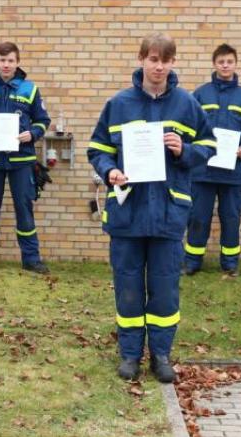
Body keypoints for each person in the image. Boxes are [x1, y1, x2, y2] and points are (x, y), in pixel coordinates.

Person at [87, 33, 214, 383]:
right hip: (128, 214)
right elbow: (97, 148)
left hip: (169, 215)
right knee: (127, 286)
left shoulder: (188, 105)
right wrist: (109, 169)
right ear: (142, 59)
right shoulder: (119, 104)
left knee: (164, 288)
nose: (159, 67)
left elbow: (208, 147)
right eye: (153, 59)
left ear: (173, 63)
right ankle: (130, 354)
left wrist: (183, 150)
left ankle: (160, 354)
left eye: (166, 60)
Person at [0, 42, 53, 273]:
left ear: (17, 63)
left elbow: (43, 121)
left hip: (22, 160)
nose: (6, 65)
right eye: (2, 60)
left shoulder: (29, 90)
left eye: (11, 60)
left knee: (24, 207)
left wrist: (32, 134)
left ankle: (31, 259)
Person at [183, 43, 241, 276]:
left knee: (231, 218)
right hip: (202, 169)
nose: (225, 65)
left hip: (232, 172)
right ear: (214, 64)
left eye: (229, 61)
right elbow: (189, 126)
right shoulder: (200, 94)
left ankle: (230, 264)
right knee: (198, 216)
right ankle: (192, 262)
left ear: (235, 63)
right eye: (221, 62)